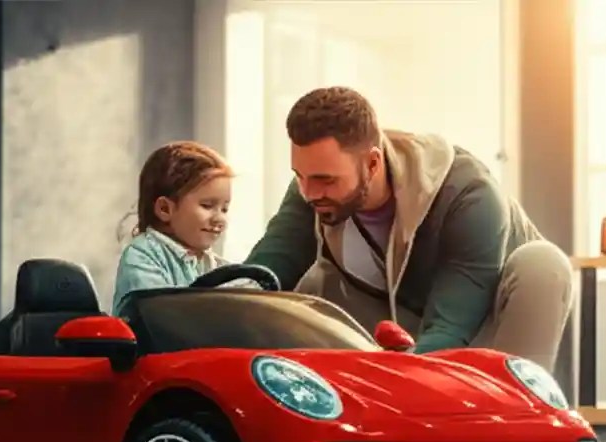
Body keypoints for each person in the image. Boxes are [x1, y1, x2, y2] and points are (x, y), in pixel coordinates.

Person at [244, 86, 574, 371]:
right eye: (300, 176)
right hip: (397, 328)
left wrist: (398, 382)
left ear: (373, 163)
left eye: (325, 180)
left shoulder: (469, 193)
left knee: (543, 264)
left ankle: (519, 411)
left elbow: (449, 328)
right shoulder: (312, 189)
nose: (309, 192)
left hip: (481, 329)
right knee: (309, 289)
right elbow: (267, 268)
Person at [111, 140, 236, 315]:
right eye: (207, 206)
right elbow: (159, 316)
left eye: (224, 209)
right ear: (165, 209)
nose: (219, 219)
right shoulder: (142, 256)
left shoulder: (214, 265)